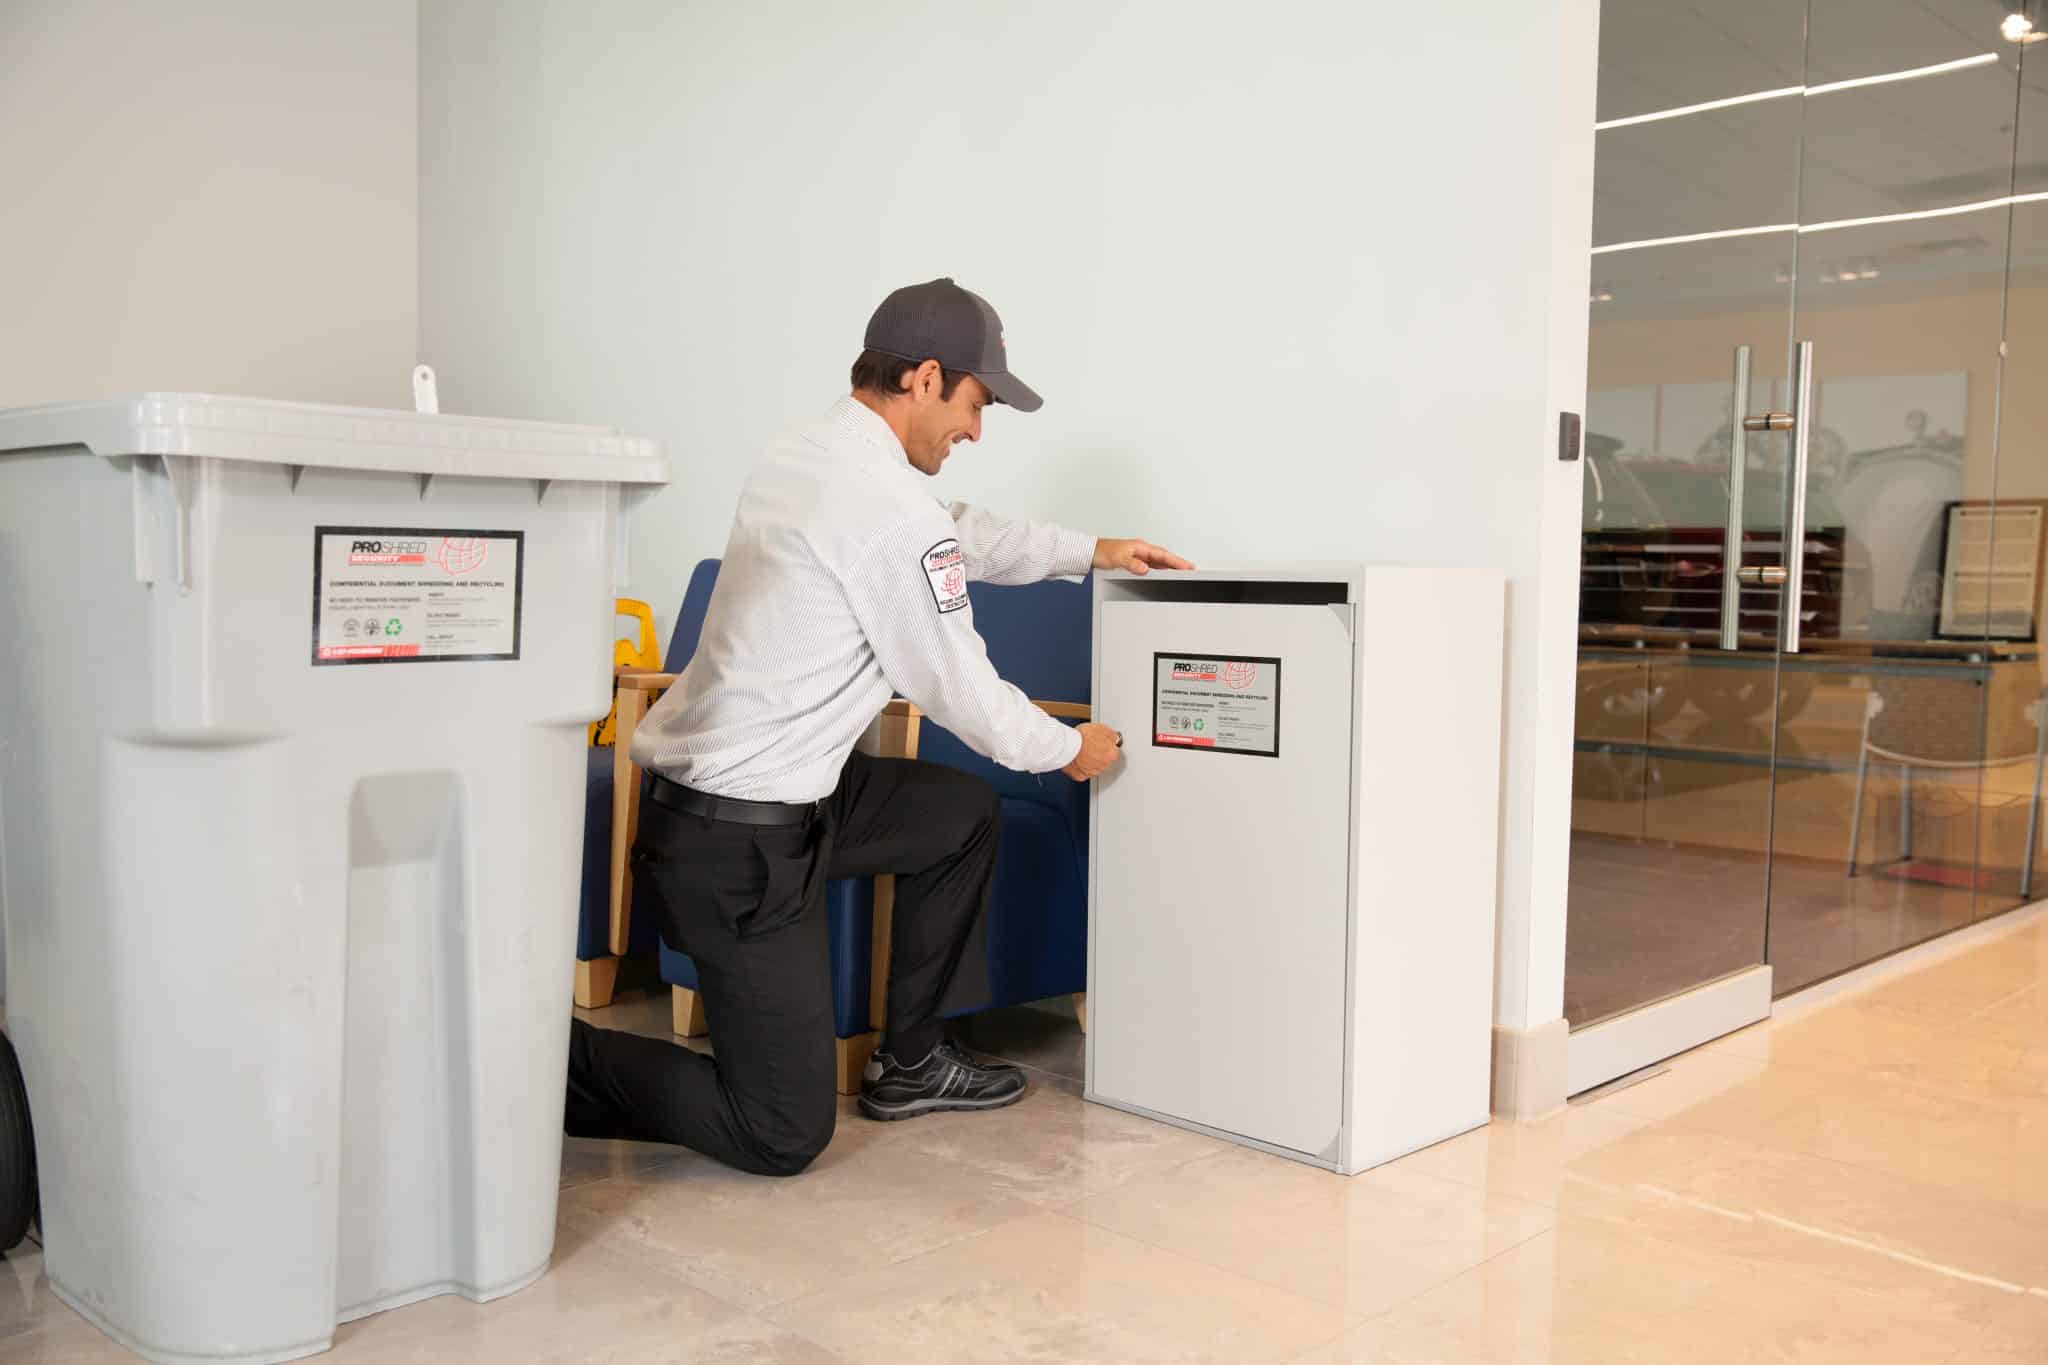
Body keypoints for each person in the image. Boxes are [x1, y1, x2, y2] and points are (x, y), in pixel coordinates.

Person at [564, 277, 1191, 1176]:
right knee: (779, 1129)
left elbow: (955, 532)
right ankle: (552, 1069)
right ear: (927, 379)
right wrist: (1069, 750)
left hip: (746, 807)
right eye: (976, 404)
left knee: (957, 812)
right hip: (737, 849)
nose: (976, 430)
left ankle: (913, 1058)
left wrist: (1090, 550)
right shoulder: (886, 509)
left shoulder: (809, 455)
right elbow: (960, 688)